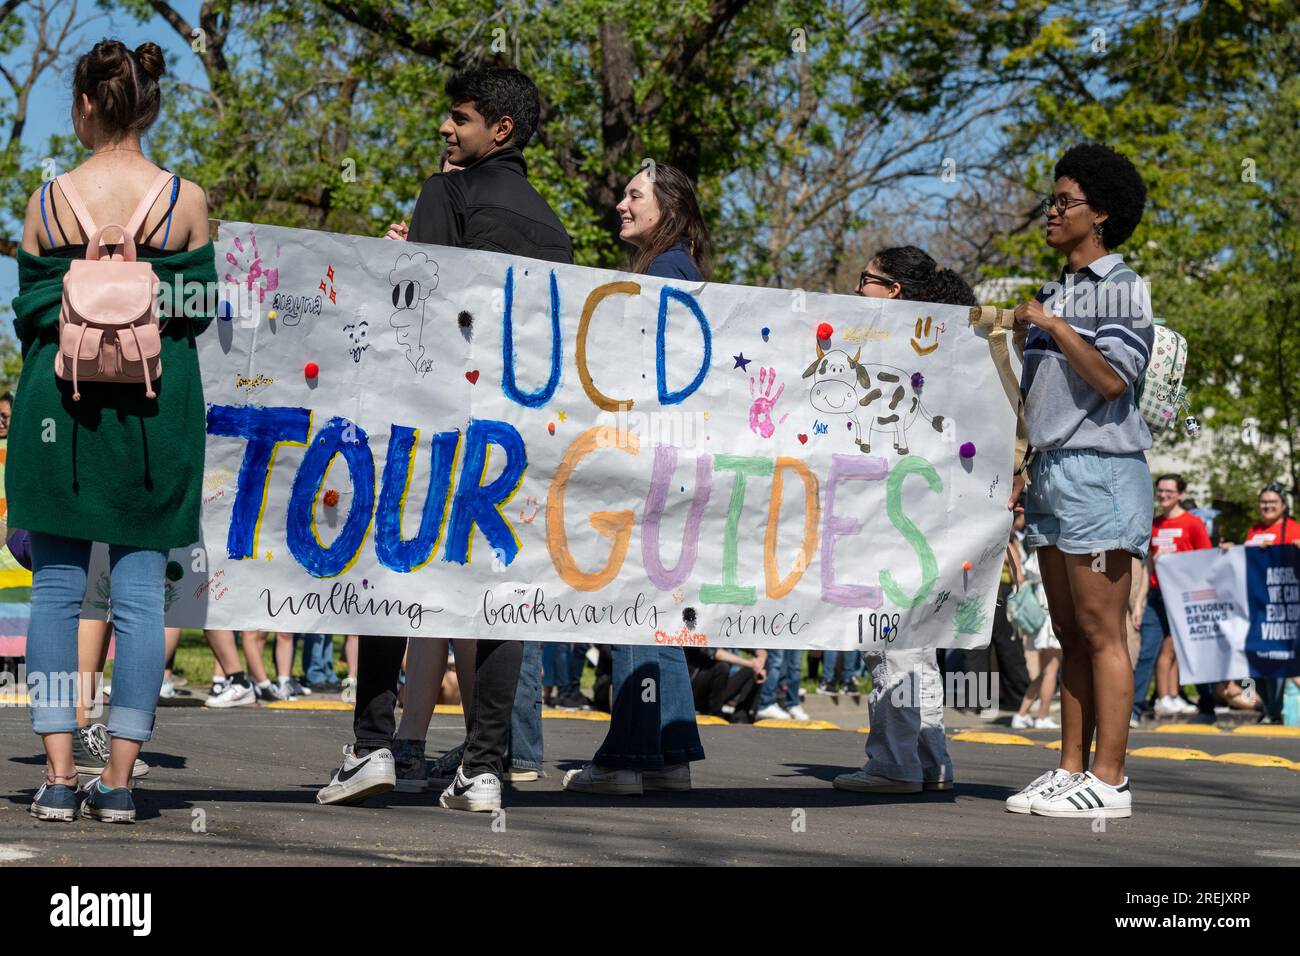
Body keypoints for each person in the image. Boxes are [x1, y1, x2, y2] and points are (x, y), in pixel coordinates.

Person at [318, 66, 573, 813]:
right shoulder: (552, 227)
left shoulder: (447, 193)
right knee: (491, 599)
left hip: (432, 428)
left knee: (391, 578)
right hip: (511, 437)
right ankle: (484, 767)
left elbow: (421, 317)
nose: (444, 129)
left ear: (501, 130)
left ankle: (371, 748)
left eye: (458, 118)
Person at [10, 39, 213, 823]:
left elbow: (29, 312)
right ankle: (122, 782)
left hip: (59, 416)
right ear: (148, 103)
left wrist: (80, 283)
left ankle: (59, 777)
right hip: (152, 419)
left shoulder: (48, 201)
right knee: (137, 599)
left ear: (86, 104)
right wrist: (145, 286)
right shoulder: (184, 199)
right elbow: (200, 312)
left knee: (57, 595)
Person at [1004, 143, 1152, 818]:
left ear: (1102, 215)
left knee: (1102, 629)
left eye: (1065, 202)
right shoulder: (1054, 292)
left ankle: (1111, 779)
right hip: (1051, 471)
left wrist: (1051, 324)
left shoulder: (1122, 287)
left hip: (1100, 471)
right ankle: (1071, 768)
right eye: (1051, 200)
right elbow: (1035, 398)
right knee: (1065, 631)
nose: (1051, 212)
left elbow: (1112, 378)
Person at [562, 163, 709, 796]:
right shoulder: (672, 270)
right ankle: (669, 751)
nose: (620, 204)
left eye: (634, 195)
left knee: (630, 604)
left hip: (648, 458)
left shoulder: (666, 273)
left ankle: (626, 757)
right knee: (657, 607)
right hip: (669, 460)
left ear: (667, 209)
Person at [832, 245, 976, 794]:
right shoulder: (941, 348)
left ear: (893, 291)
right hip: (921, 510)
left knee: (892, 637)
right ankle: (927, 760)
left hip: (901, 509)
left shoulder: (910, 351)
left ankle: (895, 763)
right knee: (914, 641)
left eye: (865, 279)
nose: (857, 289)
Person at [1133, 474, 1210, 722]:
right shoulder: (1154, 524)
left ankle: (1203, 702)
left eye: (1169, 491)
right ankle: (1133, 709)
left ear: (1180, 495)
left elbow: (1206, 564)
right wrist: (1139, 602)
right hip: (1157, 597)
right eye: (1161, 491)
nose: (1164, 495)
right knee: (1147, 651)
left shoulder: (1193, 524)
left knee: (1183, 651)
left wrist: (1176, 560)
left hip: (1185, 597)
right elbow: (1148, 567)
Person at [1008, 515, 1063, 730]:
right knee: (1051, 669)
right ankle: (1042, 716)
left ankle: (1022, 713)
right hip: (1047, 612)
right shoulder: (1045, 557)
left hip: (1040, 613)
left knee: (1045, 669)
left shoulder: (1034, 553)